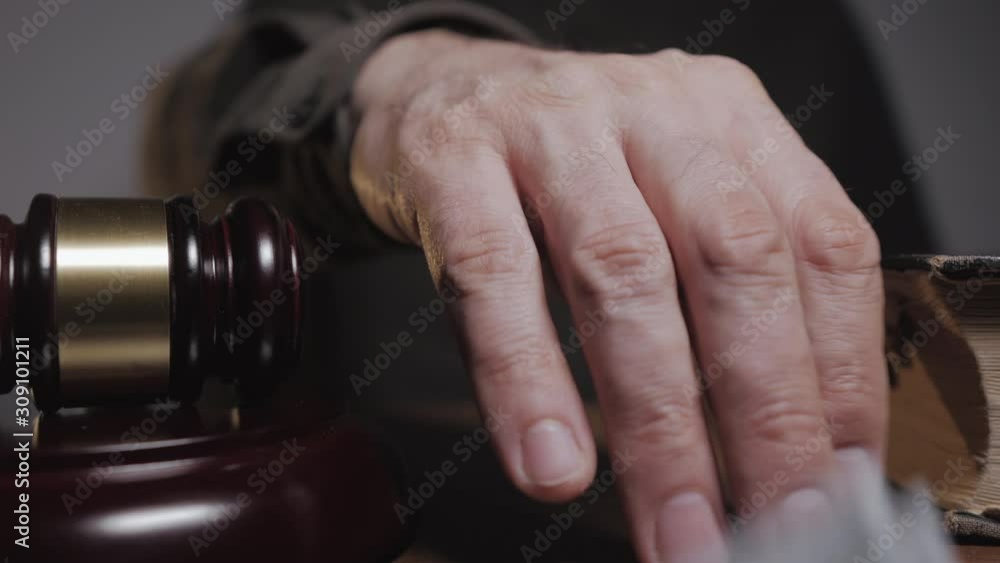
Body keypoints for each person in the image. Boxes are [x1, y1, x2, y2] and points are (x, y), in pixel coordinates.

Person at [142, 1, 931, 560]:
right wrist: (406, 74)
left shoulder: (801, 24)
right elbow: (205, 120)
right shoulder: (296, 32)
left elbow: (912, 362)